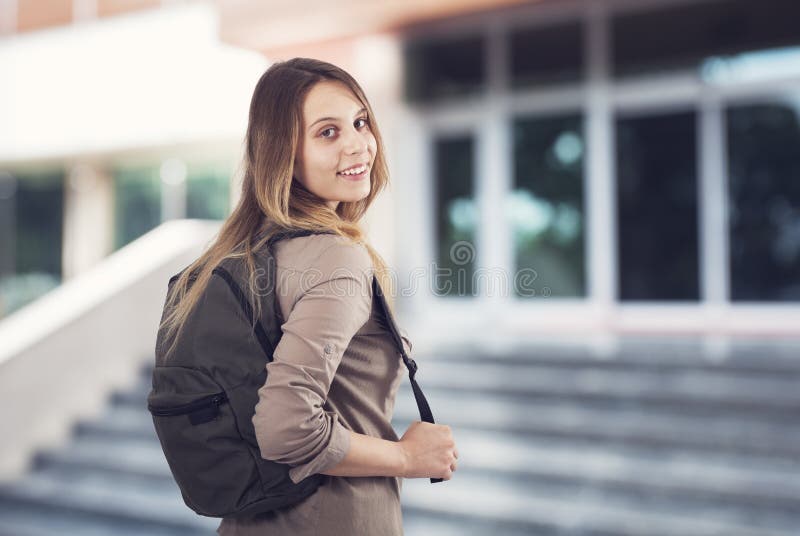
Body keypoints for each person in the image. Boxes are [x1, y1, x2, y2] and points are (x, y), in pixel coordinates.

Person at [158, 57, 458, 535]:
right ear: (285, 155)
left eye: (360, 122)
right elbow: (285, 426)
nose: (358, 144)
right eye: (327, 132)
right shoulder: (336, 259)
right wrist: (406, 457)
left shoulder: (246, 255)